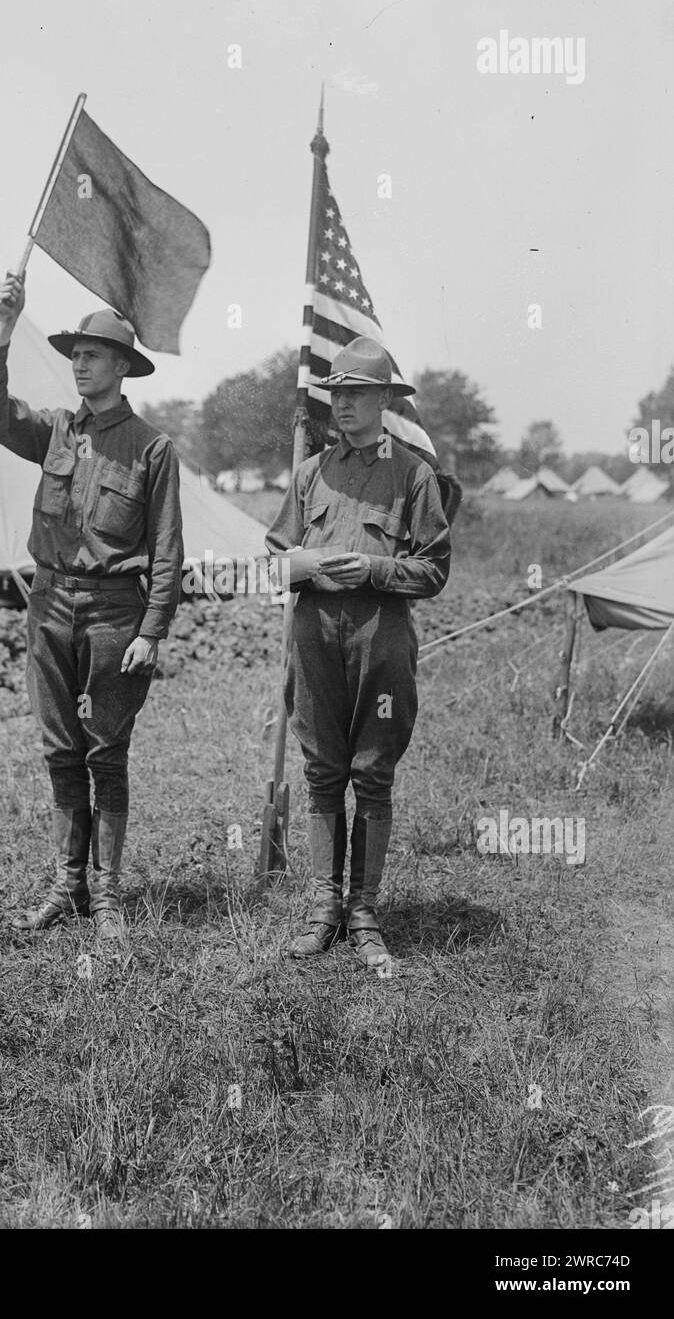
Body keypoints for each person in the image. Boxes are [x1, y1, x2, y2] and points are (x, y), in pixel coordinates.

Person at [0, 272, 183, 941]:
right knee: (61, 752)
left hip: (117, 615)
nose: (79, 364)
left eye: (92, 354)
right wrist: (5, 327)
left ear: (122, 366)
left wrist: (153, 630)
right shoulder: (55, 430)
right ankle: (68, 886)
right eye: (75, 354)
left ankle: (110, 894)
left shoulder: (152, 447)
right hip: (50, 608)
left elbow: (170, 550)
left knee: (105, 754)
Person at [265, 336, 451, 968]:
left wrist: (374, 568)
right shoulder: (312, 471)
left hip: (382, 637)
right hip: (314, 634)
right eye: (337, 394)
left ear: (383, 400)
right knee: (321, 770)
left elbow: (433, 571)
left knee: (371, 773)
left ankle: (364, 911)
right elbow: (276, 561)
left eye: (358, 394)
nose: (344, 405)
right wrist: (306, 566)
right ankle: (324, 908)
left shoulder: (412, 475)